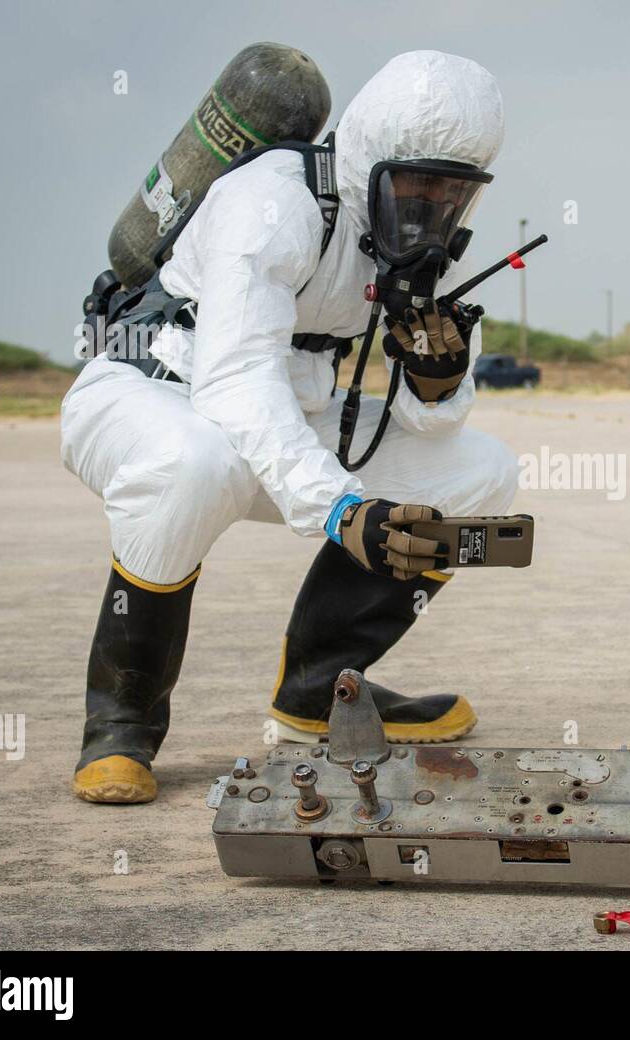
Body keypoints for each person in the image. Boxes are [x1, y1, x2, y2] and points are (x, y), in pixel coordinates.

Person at [60, 51, 517, 804]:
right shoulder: (273, 201)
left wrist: (436, 381)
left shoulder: (416, 235)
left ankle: (317, 694)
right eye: (419, 182)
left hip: (291, 417)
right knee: (197, 464)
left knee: (479, 470)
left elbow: (423, 421)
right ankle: (121, 723)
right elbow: (236, 381)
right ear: (372, 158)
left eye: (452, 189)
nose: (434, 202)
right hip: (152, 395)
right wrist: (341, 510)